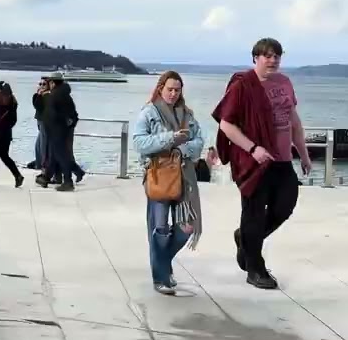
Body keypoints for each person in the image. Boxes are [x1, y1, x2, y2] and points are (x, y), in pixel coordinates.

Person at [212, 37, 311, 290]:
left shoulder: (285, 83)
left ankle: (244, 238)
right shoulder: (244, 85)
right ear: (255, 57)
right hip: (254, 161)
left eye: (277, 55)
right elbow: (226, 124)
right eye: (267, 55)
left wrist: (304, 153)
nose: (273, 60)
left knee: (285, 206)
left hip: (282, 160)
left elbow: (294, 121)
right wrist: (253, 149)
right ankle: (255, 268)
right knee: (254, 215)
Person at [132, 71, 204, 294]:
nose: (173, 93)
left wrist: (183, 148)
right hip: (159, 175)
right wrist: (169, 139)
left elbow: (200, 141)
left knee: (188, 225)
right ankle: (161, 277)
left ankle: (162, 264)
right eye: (169, 89)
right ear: (161, 88)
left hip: (185, 177)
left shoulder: (187, 115)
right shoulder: (149, 112)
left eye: (177, 90)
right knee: (160, 228)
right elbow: (139, 143)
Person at [37, 76, 79, 191]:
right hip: (63, 129)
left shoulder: (54, 96)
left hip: (56, 130)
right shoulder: (66, 95)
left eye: (50, 82)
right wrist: (70, 125)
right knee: (58, 155)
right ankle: (49, 177)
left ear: (53, 83)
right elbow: (74, 114)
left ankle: (68, 181)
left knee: (61, 156)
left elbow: (50, 115)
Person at [29, 77, 52, 171]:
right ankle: (39, 163)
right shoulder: (41, 95)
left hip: (45, 123)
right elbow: (35, 104)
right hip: (40, 122)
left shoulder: (48, 96)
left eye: (44, 84)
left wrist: (40, 95)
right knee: (38, 145)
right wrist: (38, 95)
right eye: (40, 84)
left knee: (43, 145)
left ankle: (44, 167)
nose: (41, 86)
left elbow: (39, 106)